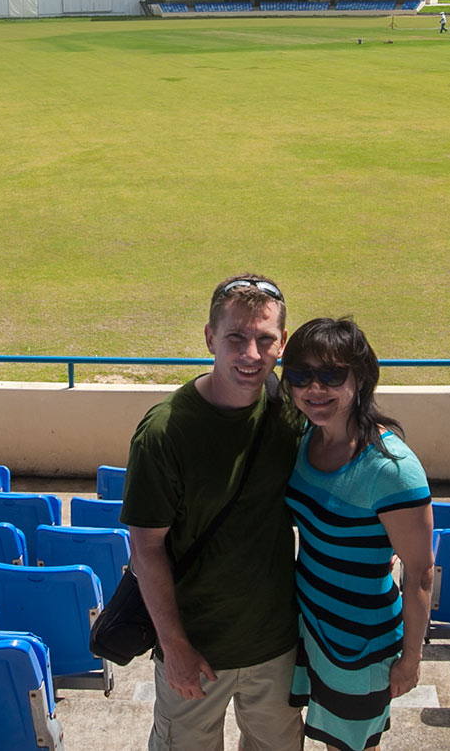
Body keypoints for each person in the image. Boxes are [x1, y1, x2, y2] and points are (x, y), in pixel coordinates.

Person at [121, 275, 304, 751]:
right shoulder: (164, 433)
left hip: (275, 647)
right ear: (209, 338)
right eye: (236, 338)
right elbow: (145, 548)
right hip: (195, 651)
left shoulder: (289, 412)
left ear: (281, 343)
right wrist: (175, 647)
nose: (250, 354)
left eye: (265, 340)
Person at [280, 318, 434, 751]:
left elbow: (421, 572)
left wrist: (411, 658)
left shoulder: (392, 470)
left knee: (349, 747)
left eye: (332, 375)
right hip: (307, 625)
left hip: (359, 643)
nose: (315, 389)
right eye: (301, 375)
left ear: (360, 378)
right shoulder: (305, 439)